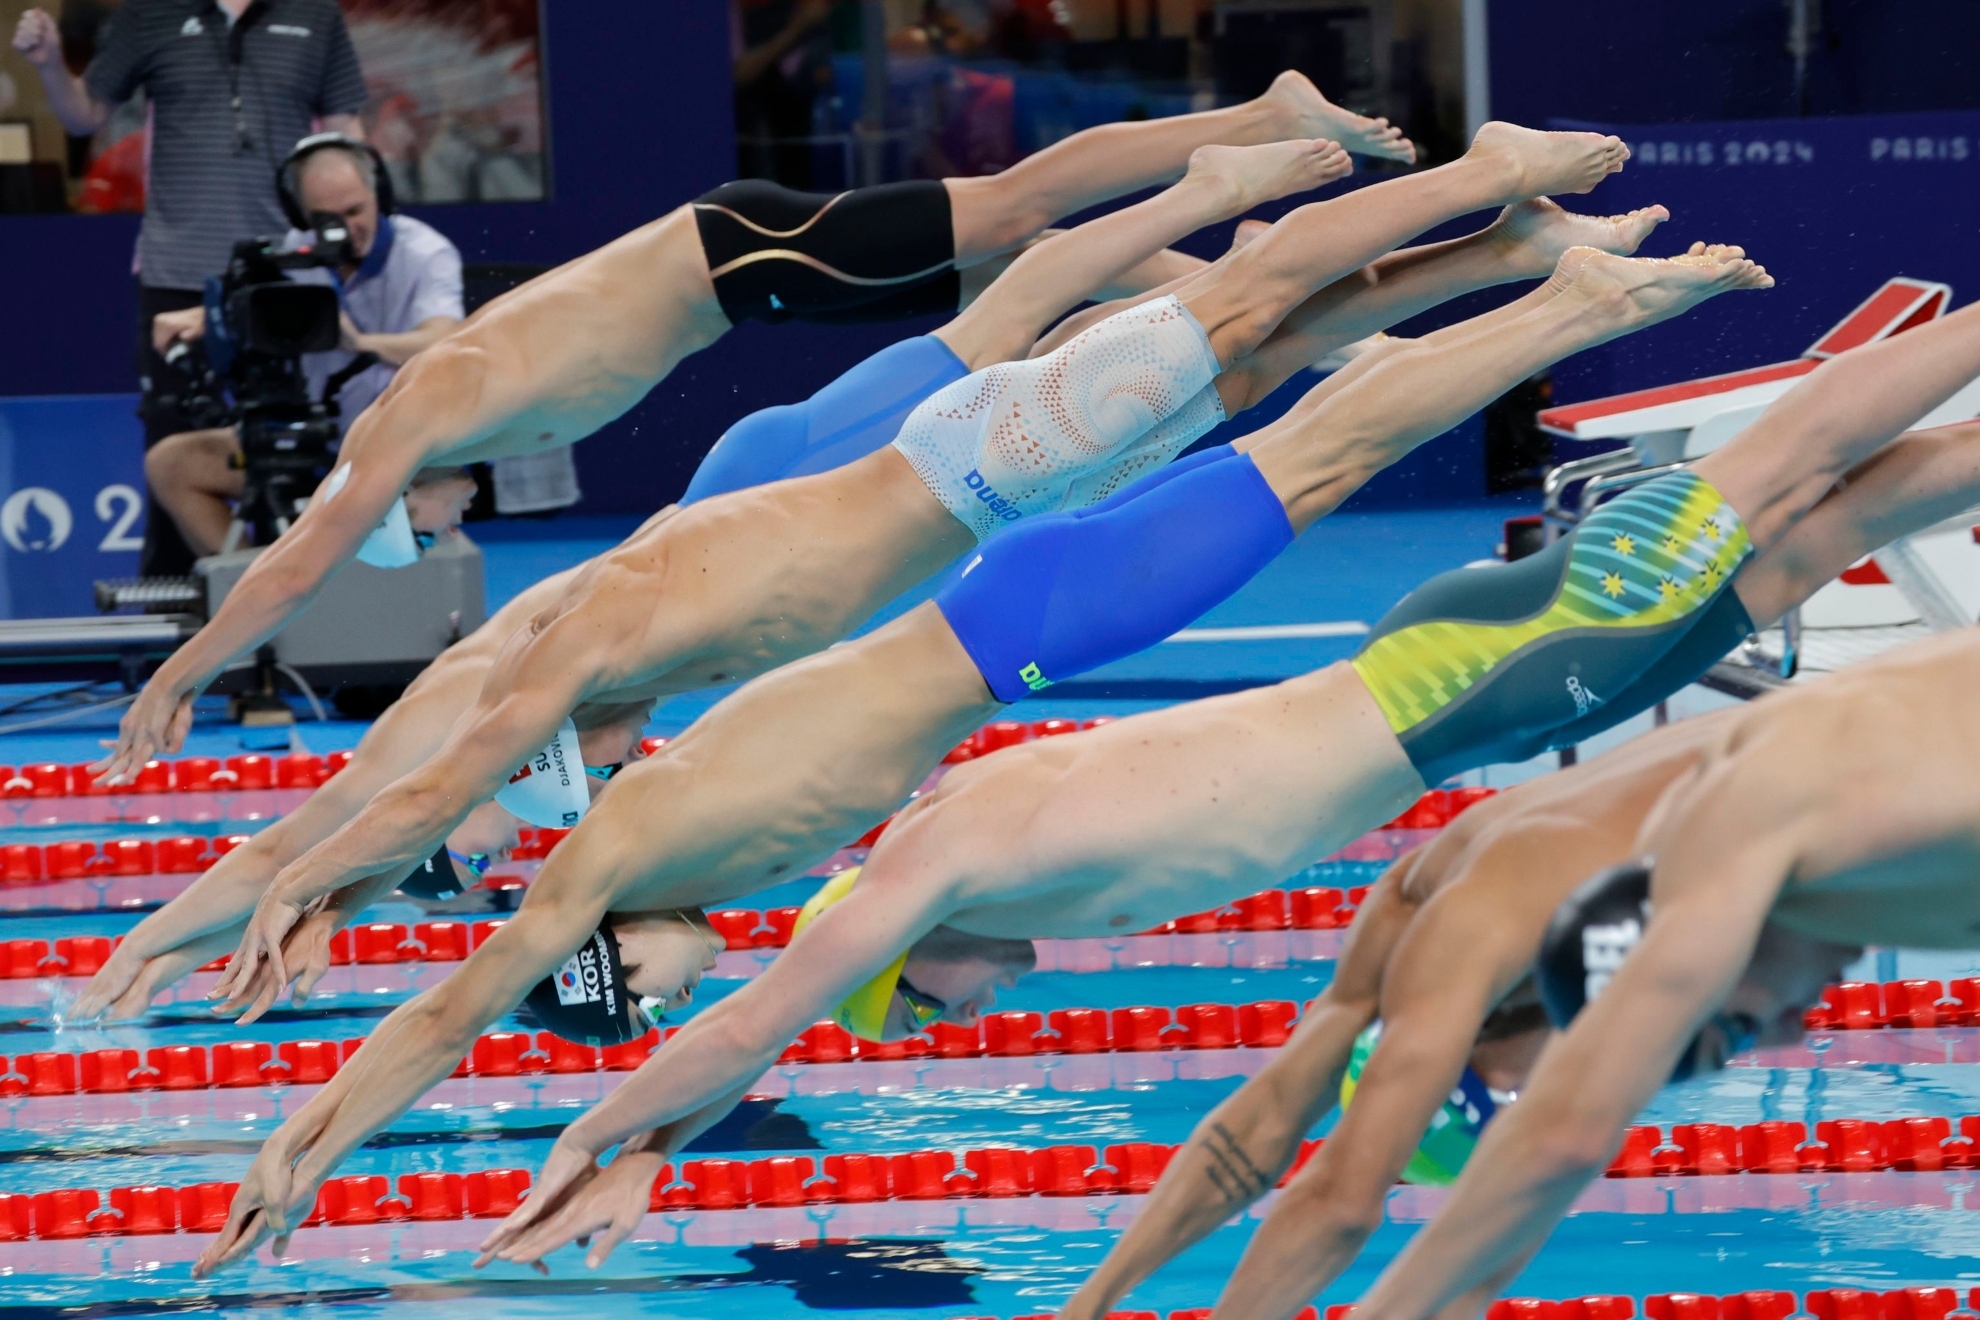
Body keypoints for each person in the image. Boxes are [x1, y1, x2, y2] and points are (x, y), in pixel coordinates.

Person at [184, 240, 1757, 1277]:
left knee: (1311, 438)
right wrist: (322, 1124)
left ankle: (1566, 293)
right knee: (1269, 382)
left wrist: (343, 1139)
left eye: (643, 988)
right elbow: (497, 978)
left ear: (611, 956)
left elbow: (496, 1008)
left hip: (1019, 617)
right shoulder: (693, 855)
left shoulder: (620, 869)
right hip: (991, 593)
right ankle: (1522, 262)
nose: (672, 990)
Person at [222, 124, 1645, 966]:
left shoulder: (593, 633)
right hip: (945, 492)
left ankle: (1342, 187)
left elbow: (421, 752)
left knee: (1170, 298)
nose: (613, 770)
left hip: (923, 467)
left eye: (586, 764)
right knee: (1240, 349)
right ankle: (1487, 244)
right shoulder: (645, 665)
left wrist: (306, 868)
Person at [70, 137, 1338, 1023]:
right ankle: (1239, 260)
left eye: (432, 865)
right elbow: (312, 847)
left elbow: (303, 826)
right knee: (1053, 362)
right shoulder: (496, 769)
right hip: (787, 532)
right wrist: (149, 954)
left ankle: (1223, 217)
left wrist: (192, 725)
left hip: (775, 507)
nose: (433, 864)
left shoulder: (455, 716)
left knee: (1022, 333)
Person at [93, 69, 1415, 780]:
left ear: (375, 485)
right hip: (743, 284)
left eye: (403, 517)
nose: (438, 517)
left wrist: (183, 669)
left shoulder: (411, 414)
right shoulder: (439, 419)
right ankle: (1260, 260)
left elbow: (298, 560)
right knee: (1015, 277)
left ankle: (1255, 130)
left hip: (735, 258)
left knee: (1013, 218)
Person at [1331, 611, 1980, 1320]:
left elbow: (1566, 1138)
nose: (1789, 1032)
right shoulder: (1882, 857)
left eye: (1733, 1026)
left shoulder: (1768, 813)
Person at [11, 0, 367, 576]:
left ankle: (307, 602)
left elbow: (347, 128)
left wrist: (353, 232)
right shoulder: (148, 14)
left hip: (285, 278)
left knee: (295, 442)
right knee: (175, 442)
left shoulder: (316, 15)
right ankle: (188, 619)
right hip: (178, 277)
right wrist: (50, 64)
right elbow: (85, 115)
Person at [144, 134, 468, 557]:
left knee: (438, 476)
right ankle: (256, 592)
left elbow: (444, 342)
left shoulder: (427, 253)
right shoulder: (291, 255)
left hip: (402, 447)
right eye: (326, 218)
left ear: (378, 194)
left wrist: (360, 342)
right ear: (300, 213)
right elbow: (260, 323)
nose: (345, 229)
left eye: (355, 210)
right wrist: (212, 317)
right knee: (171, 463)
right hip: (309, 442)